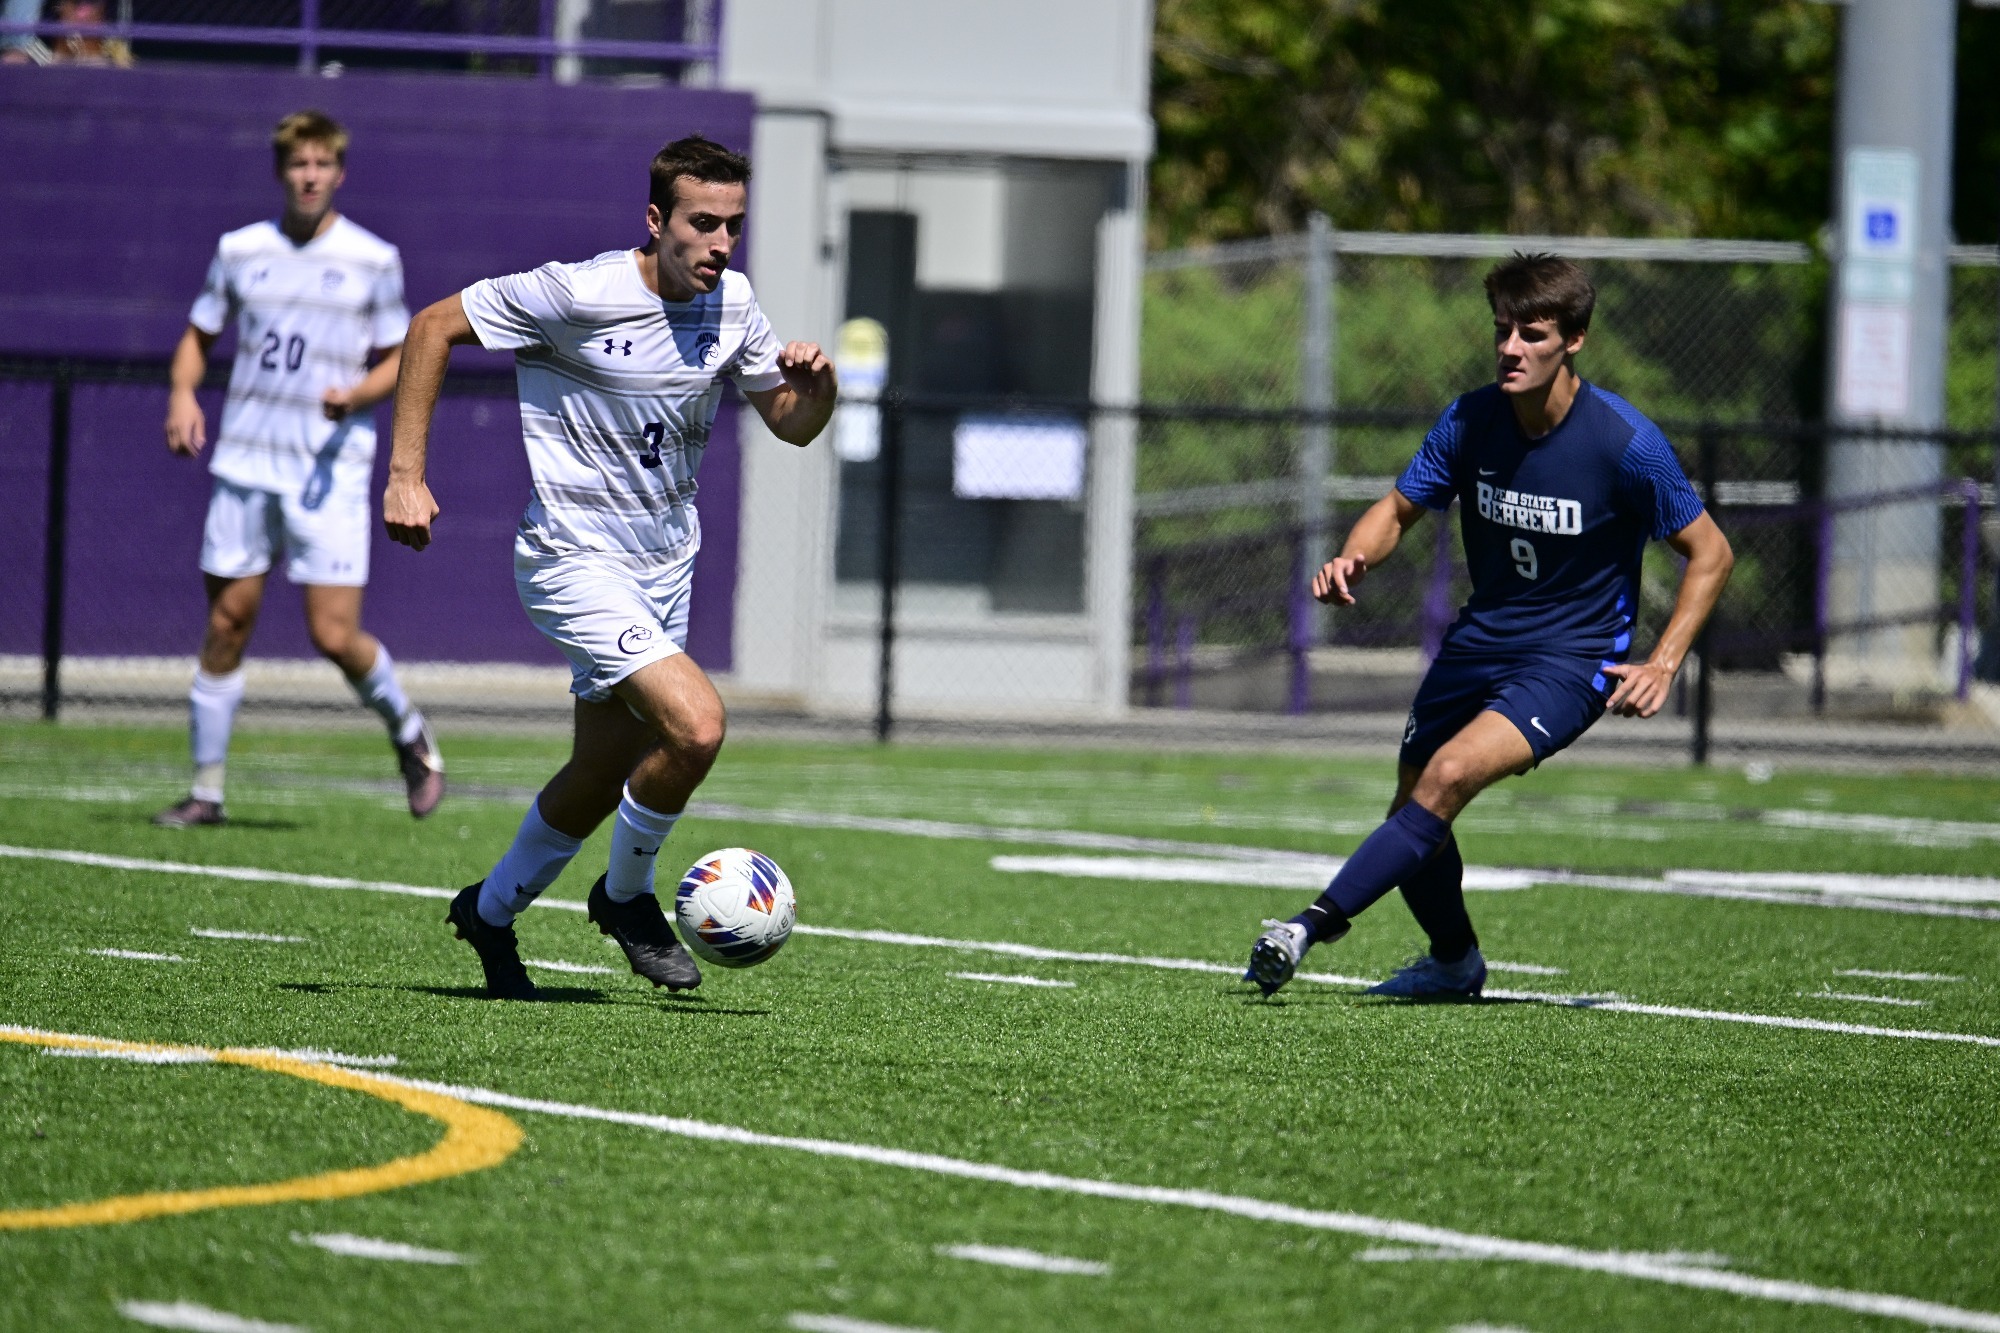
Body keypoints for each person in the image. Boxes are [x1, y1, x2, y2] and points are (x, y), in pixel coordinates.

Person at [384, 135, 836, 1000]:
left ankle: (491, 909)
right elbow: (431, 326)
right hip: (572, 559)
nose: (721, 244)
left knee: (599, 773)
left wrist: (820, 388)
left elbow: (793, 422)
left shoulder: (733, 305)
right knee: (697, 726)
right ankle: (626, 897)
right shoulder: (577, 292)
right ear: (656, 219)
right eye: (704, 224)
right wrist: (406, 474)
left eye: (734, 227)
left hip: (666, 565)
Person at [1245, 253, 1734, 998]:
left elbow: (1712, 553)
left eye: (1531, 333)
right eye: (1502, 330)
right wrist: (1354, 556)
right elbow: (1399, 508)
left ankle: (1307, 925)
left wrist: (1663, 661)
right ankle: (1454, 960)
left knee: (1445, 778)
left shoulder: (1626, 442)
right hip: (1480, 640)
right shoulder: (1471, 418)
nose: (1510, 348)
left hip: (1571, 662)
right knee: (1414, 802)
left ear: (1574, 340)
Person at [155, 110, 442, 828]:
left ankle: (409, 731)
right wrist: (183, 392)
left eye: (321, 164)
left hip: (329, 471)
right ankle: (207, 790)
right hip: (247, 464)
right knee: (228, 620)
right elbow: (198, 334)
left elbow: (400, 356)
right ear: (281, 172)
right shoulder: (240, 249)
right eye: (297, 164)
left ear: (339, 173)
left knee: (333, 635)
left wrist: (356, 394)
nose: (309, 176)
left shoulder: (373, 258)